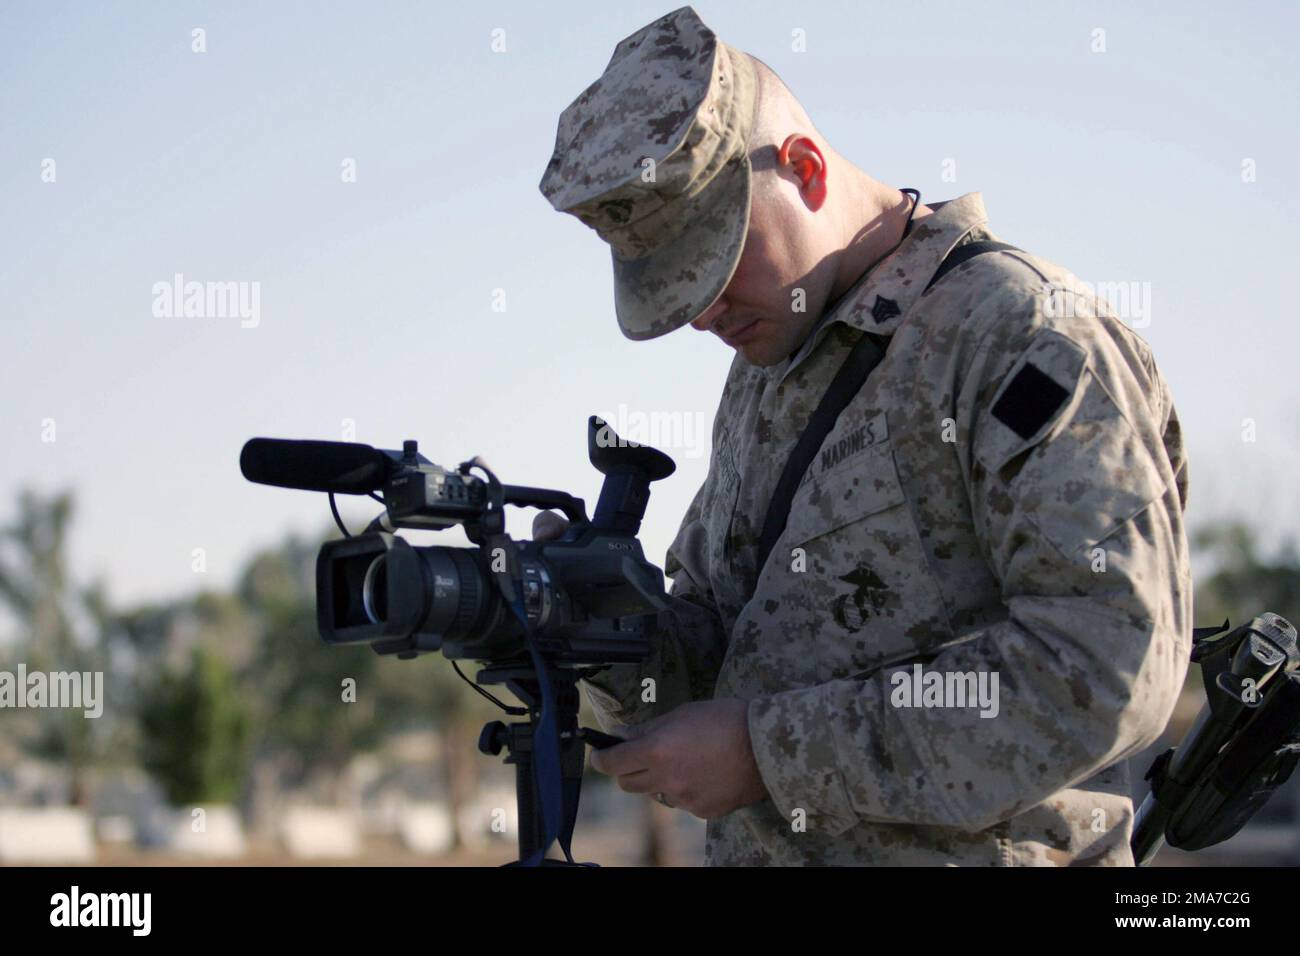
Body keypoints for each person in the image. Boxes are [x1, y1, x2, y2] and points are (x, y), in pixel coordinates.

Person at [534, 6, 1192, 865]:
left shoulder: (1020, 335)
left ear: (804, 169)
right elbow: (718, 660)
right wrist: (591, 631)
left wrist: (770, 754)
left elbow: (1104, 668)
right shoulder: (772, 368)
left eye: (716, 264)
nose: (701, 312)